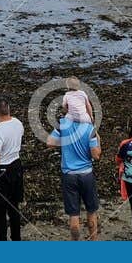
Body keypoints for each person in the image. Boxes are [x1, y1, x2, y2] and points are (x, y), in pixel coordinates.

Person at [48, 97, 101, 239]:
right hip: (86, 175)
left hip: (69, 175)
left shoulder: (62, 124)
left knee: (73, 216)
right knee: (91, 212)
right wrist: (98, 142)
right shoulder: (90, 128)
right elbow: (96, 155)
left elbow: (50, 143)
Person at [0, 98, 24, 241]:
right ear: (8, 109)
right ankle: (16, 238)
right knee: (14, 207)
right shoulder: (18, 123)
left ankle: (2, 240)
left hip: (2, 171)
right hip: (16, 166)